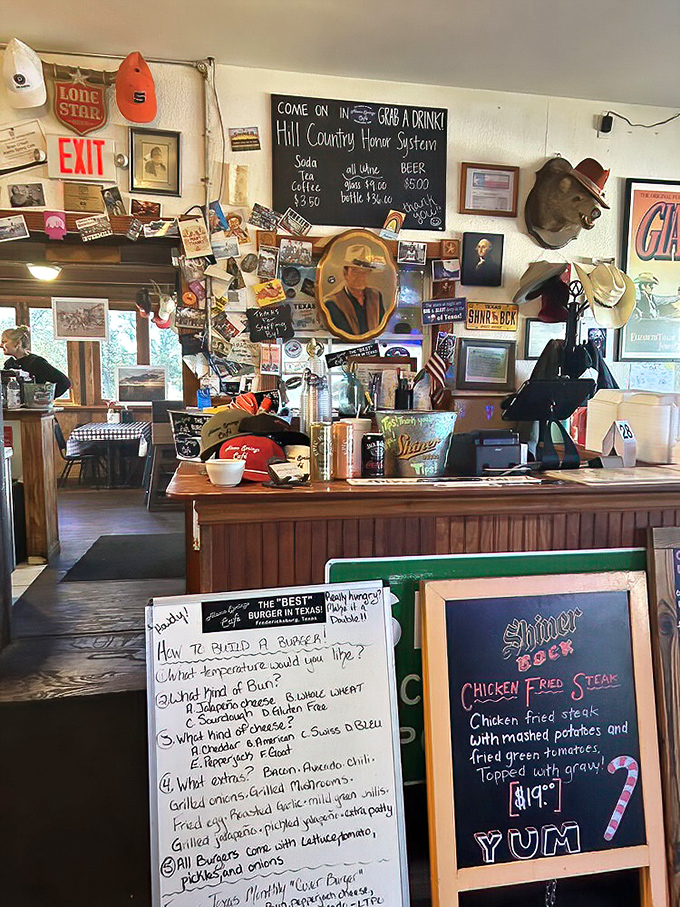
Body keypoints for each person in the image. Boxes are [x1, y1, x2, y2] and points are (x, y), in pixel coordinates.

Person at [324, 244, 386, 337]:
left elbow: (381, 329)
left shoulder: (376, 296)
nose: (360, 277)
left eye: (365, 272)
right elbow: (346, 334)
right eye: (355, 271)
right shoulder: (332, 302)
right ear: (345, 273)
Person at [1, 325, 71, 398]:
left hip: (35, 408)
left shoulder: (37, 362)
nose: (1, 345)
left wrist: (45, 398)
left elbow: (64, 383)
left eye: (4, 342)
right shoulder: (9, 364)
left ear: (18, 343)